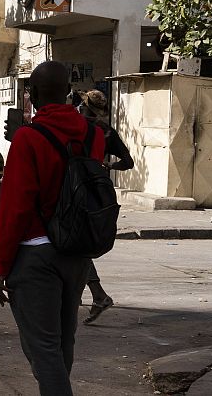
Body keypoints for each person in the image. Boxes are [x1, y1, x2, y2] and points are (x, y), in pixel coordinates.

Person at [0, 61, 105, 396]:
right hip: (77, 252)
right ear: (69, 92)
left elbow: (15, 208)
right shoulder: (93, 134)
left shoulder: (28, 138)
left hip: (35, 253)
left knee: (43, 350)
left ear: (34, 94)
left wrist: (2, 265)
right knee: (61, 344)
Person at [78, 89, 133, 325]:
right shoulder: (107, 131)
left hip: (78, 189)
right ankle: (89, 293)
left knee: (74, 244)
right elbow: (128, 162)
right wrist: (108, 166)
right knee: (77, 244)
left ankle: (98, 294)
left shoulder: (81, 128)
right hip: (99, 191)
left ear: (85, 107)